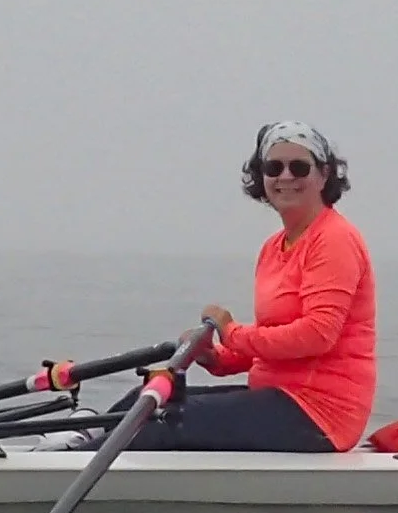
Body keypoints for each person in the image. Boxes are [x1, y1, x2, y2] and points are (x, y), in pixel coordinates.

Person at [119, 120, 378, 452]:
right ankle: (73, 447)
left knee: (164, 421)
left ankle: (72, 461)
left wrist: (231, 332)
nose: (286, 177)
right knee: (139, 400)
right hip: (278, 396)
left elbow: (318, 334)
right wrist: (216, 357)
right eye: (274, 168)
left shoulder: (334, 239)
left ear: (324, 174)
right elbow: (274, 340)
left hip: (321, 412)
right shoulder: (273, 247)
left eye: (299, 167)